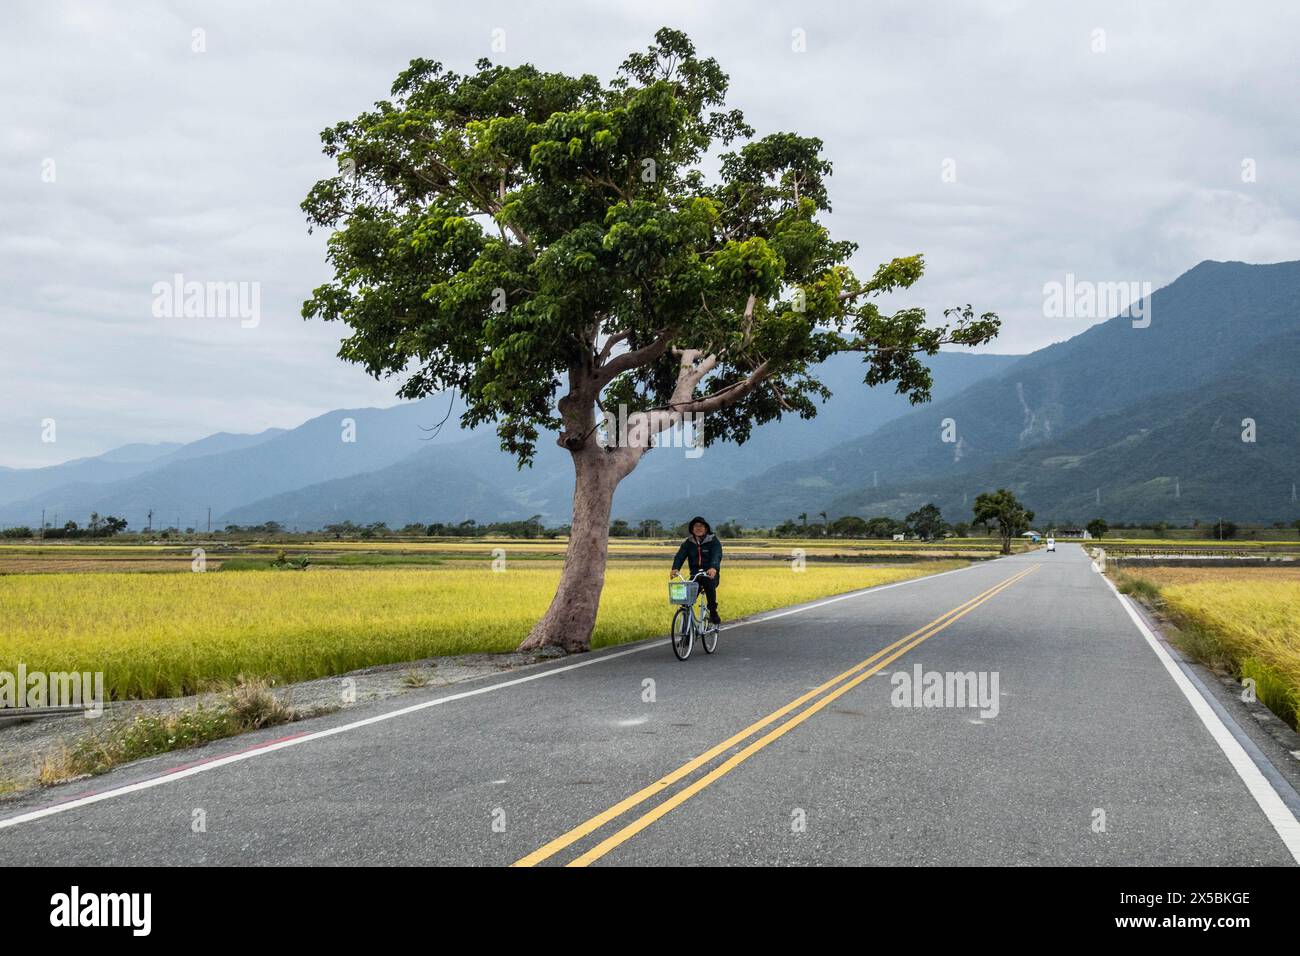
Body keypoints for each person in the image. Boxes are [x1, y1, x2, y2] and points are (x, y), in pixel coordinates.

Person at [670, 515, 722, 625]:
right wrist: (675, 568)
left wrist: (713, 568)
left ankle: (713, 612)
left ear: (706, 528)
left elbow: (716, 555)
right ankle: (686, 633)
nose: (698, 528)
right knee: (686, 602)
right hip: (695, 575)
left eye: (701, 526)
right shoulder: (688, 543)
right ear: (692, 529)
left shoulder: (713, 541)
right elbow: (680, 556)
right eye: (696, 526)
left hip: (709, 574)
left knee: (709, 585)